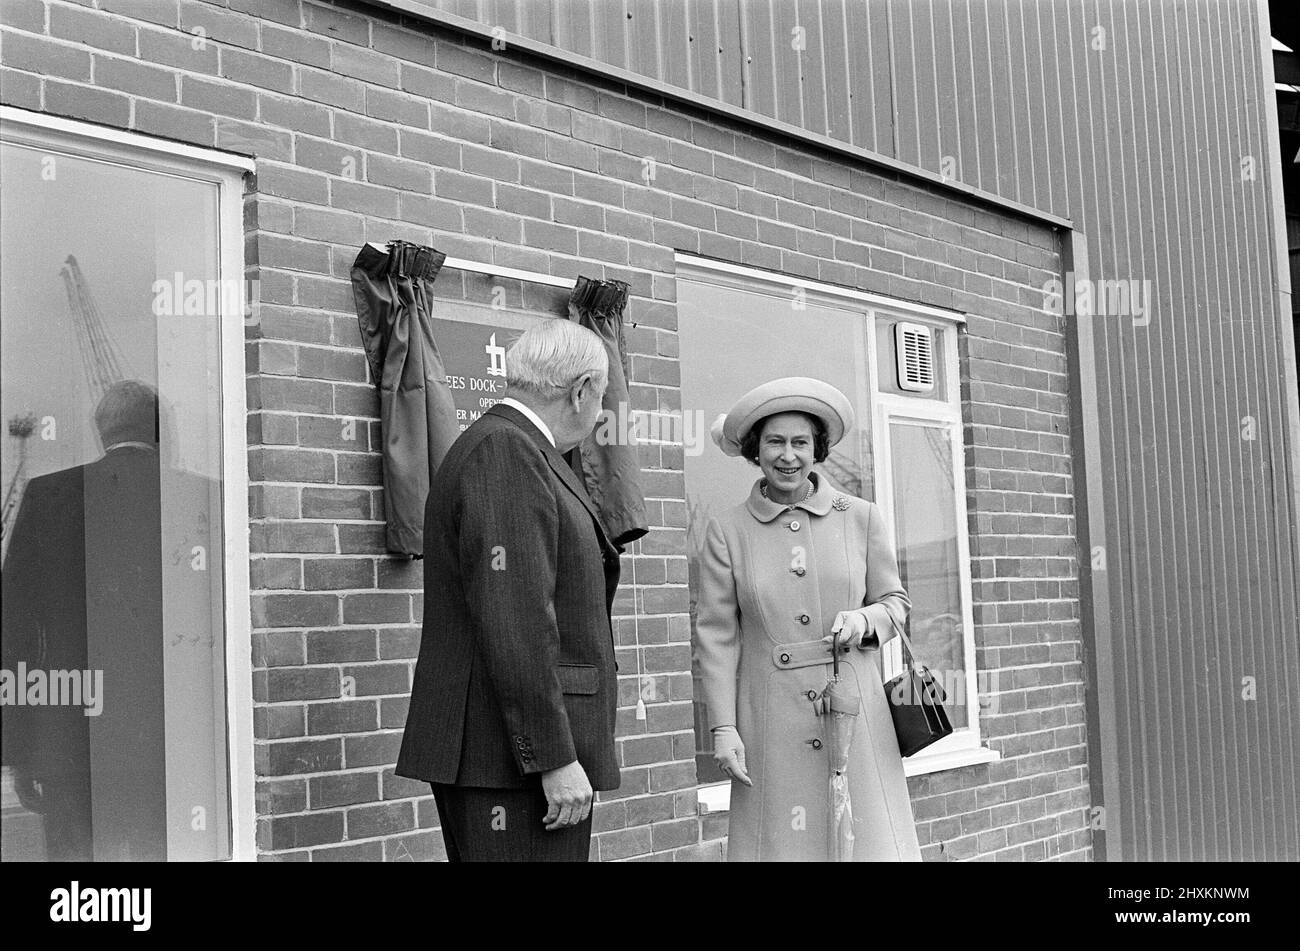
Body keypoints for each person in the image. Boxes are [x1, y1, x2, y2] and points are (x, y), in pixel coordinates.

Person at [396, 318, 622, 862]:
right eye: (602, 396)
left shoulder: (509, 446)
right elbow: (516, 617)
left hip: (505, 758)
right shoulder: (507, 451)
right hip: (511, 764)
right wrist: (552, 757)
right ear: (581, 391)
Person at [694, 377, 922, 861]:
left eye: (800, 442)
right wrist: (723, 728)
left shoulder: (859, 517)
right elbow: (716, 636)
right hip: (769, 721)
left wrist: (864, 622)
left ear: (817, 450)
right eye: (775, 442)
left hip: (856, 714)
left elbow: (895, 604)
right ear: (755, 451)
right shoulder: (728, 531)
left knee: (869, 844)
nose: (788, 455)